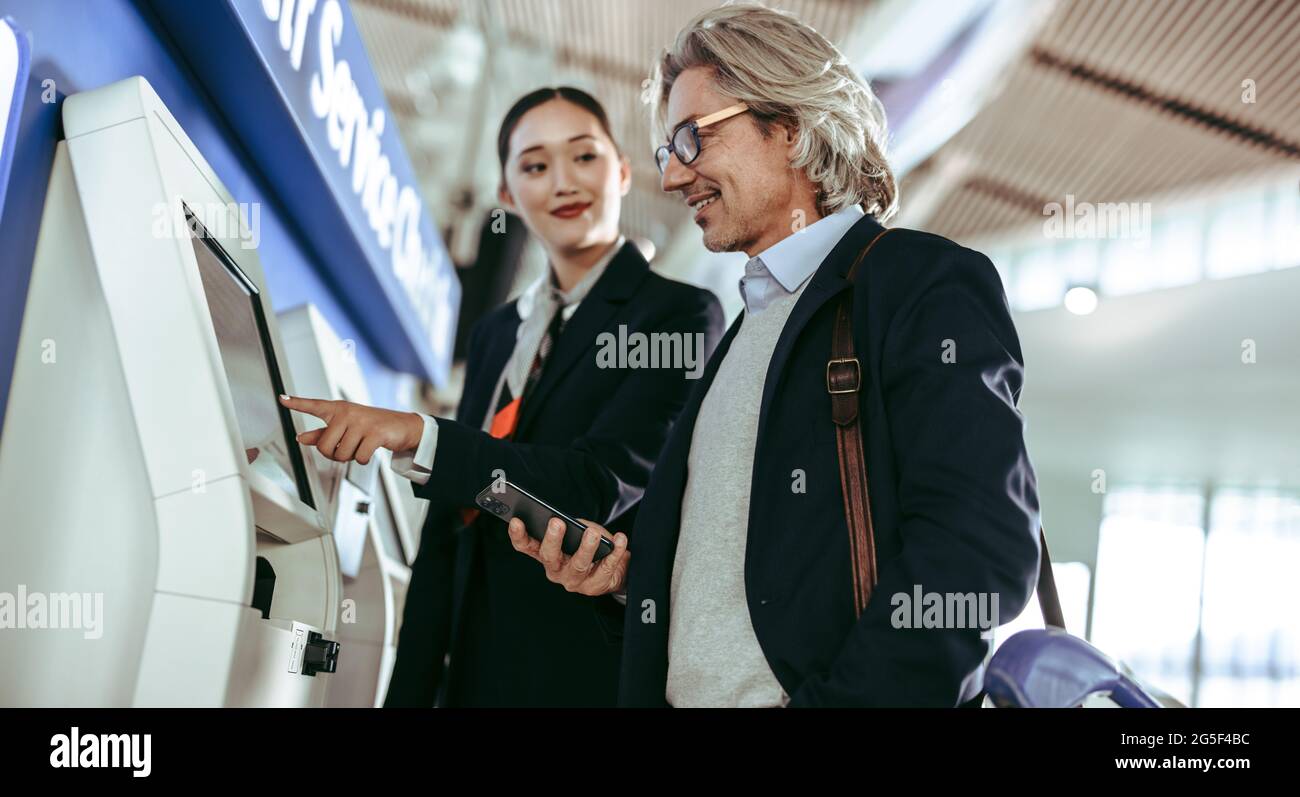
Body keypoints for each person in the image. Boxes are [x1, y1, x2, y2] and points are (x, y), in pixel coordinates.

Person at [514, 4, 1041, 707]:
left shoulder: (916, 282)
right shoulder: (747, 328)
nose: (673, 179)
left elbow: (976, 555)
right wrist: (625, 578)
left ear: (789, 127)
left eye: (691, 140)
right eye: (670, 153)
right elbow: (753, 578)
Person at [281, 86, 724, 706]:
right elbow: (448, 530)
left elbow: (602, 481)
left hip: (570, 677)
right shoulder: (497, 334)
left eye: (584, 157)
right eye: (536, 166)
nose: (563, 182)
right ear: (508, 196)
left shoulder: (678, 315)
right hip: (464, 673)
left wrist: (421, 435)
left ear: (623, 171)